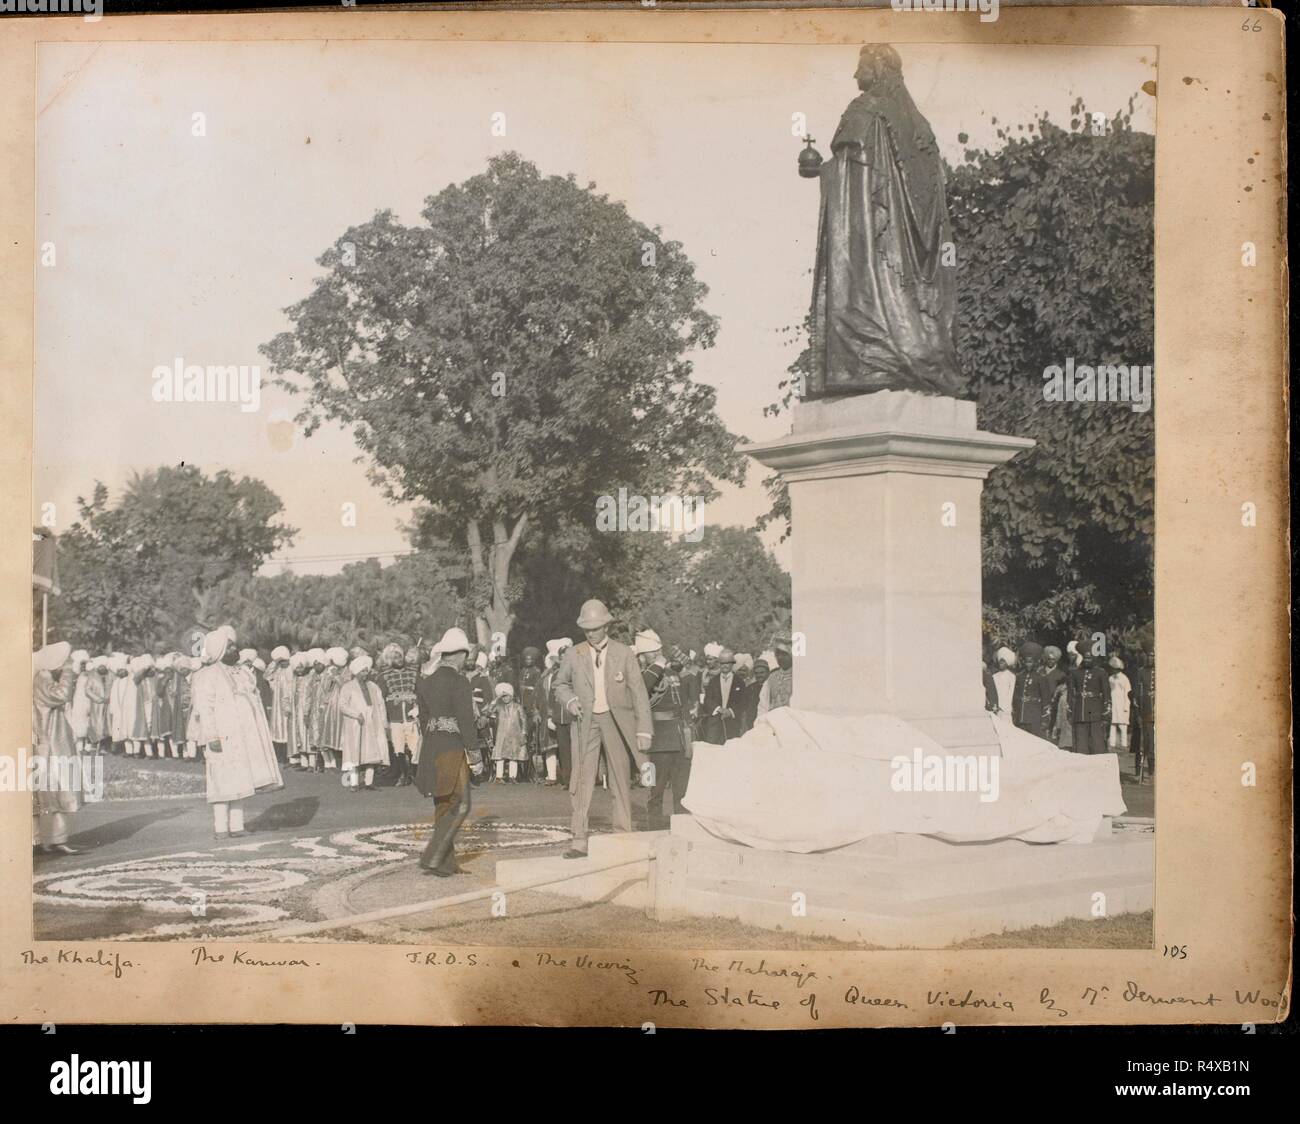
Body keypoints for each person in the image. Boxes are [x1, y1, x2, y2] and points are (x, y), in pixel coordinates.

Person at [554, 599, 653, 859]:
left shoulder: (624, 653)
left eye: (595, 627)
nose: (590, 632)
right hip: (585, 722)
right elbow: (560, 685)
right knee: (581, 779)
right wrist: (571, 701)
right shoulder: (573, 654)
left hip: (616, 721)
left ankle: (622, 835)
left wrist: (644, 730)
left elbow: (640, 693)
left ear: (606, 626)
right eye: (586, 628)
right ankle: (579, 839)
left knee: (620, 777)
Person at [187, 628, 283, 840]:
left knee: (240, 779)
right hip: (219, 737)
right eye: (230, 646)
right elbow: (205, 708)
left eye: (233, 645)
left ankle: (237, 826)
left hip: (239, 738)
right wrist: (212, 737)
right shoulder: (207, 675)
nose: (235, 649)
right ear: (219, 649)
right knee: (221, 781)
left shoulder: (239, 672)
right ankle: (221, 828)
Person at [413, 628, 484, 877]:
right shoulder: (460, 682)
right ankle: (433, 856)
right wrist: (475, 756)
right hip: (453, 750)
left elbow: (422, 718)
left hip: (431, 747)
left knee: (443, 805)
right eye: (465, 654)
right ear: (459, 655)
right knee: (462, 804)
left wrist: (435, 730)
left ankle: (446, 864)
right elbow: (466, 721)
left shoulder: (426, 682)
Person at [634, 629, 692, 830]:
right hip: (657, 739)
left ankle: (682, 828)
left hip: (678, 736)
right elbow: (642, 689)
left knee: (681, 788)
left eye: (658, 650)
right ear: (642, 657)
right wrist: (657, 666)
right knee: (655, 789)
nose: (657, 654)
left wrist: (688, 731)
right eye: (652, 652)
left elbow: (683, 702)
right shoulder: (642, 674)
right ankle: (655, 828)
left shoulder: (671, 673)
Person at [32, 642, 85, 855]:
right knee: (52, 788)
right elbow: (61, 695)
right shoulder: (42, 678)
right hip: (48, 741)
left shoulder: (42, 676)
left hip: (49, 739)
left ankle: (52, 839)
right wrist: (68, 672)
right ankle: (47, 840)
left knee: (52, 790)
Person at [337, 653, 389, 792]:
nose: (365, 674)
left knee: (372, 751)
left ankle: (369, 782)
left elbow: (381, 704)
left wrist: (384, 723)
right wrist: (356, 714)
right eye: (363, 671)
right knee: (355, 751)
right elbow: (342, 705)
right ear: (356, 672)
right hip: (356, 724)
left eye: (367, 671)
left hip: (373, 721)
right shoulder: (348, 687)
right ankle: (354, 783)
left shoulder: (373, 686)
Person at [381, 643, 419, 787]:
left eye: (400, 656)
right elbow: (381, 700)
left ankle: (415, 775)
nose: (398, 659)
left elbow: (421, 694)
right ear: (390, 659)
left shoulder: (414, 673)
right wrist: (384, 719)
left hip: (411, 718)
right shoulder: (384, 677)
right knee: (398, 748)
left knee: (415, 747)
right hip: (395, 718)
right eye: (395, 656)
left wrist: (418, 708)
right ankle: (403, 775)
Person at [541, 637, 574, 787]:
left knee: (576, 750)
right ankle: (568, 780)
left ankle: (578, 779)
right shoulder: (555, 675)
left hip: (574, 717)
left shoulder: (577, 673)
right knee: (564, 751)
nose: (564, 660)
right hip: (559, 718)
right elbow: (551, 697)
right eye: (562, 658)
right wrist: (549, 716)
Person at [1069, 643, 1111, 756]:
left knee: (1097, 743)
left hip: (1095, 712)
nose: (1087, 660)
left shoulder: (1101, 673)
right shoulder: (1075, 673)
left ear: (1094, 658)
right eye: (1085, 657)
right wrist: (1070, 710)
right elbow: (1071, 693)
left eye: (1090, 658)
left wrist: (1106, 710)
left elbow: (1106, 693)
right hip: (1080, 712)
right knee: (1080, 744)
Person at [701, 649, 743, 743]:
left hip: (732, 722)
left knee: (731, 748)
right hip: (715, 721)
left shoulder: (739, 681)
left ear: (732, 664)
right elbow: (707, 699)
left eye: (728, 663)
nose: (725, 665)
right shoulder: (713, 681)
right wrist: (718, 709)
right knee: (713, 748)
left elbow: (743, 701)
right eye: (722, 663)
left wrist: (730, 711)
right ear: (719, 664)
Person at [490, 682, 528, 783]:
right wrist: (494, 701)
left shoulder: (518, 707)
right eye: (503, 697)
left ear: (511, 696)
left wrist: (524, 734)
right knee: (500, 756)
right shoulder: (499, 707)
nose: (505, 698)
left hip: (515, 735)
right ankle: (499, 777)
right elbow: (488, 712)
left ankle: (512, 777)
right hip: (501, 735)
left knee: (513, 756)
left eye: (507, 696)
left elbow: (524, 720)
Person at [1011, 641, 1047, 738]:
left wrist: (1044, 719)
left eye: (1030, 662)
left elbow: (1046, 700)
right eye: (1026, 662)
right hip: (1021, 716)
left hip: (1034, 716)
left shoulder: (1040, 678)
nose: (1028, 664)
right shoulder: (1019, 677)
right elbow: (1015, 696)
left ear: (1035, 662)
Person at [1131, 641, 1155, 783]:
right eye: (1148, 655)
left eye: (1153, 655)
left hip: (1159, 714)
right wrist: (1137, 711)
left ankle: (1152, 773)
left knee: (1153, 745)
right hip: (1145, 712)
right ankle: (1138, 772)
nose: (1151, 658)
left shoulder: (1162, 671)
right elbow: (1136, 694)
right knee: (1142, 744)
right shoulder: (1140, 672)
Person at [757, 635, 794, 716]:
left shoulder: (798, 677)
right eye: (777, 655)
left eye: (784, 654)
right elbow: (763, 705)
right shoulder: (771, 677)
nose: (780, 658)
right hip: (772, 720)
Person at [1040, 645, 1069, 748]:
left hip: (1054, 704)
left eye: (1053, 659)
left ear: (1056, 660)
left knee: (1053, 724)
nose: (1050, 661)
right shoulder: (1040, 671)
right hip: (1041, 703)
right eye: (1048, 659)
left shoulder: (1061, 674)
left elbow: (1062, 690)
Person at [267, 646, 293, 761]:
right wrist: (274, 663)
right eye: (280, 661)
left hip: (288, 702)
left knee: (287, 728)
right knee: (277, 728)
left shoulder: (291, 670)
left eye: (284, 661)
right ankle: (278, 755)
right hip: (277, 705)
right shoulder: (277, 671)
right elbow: (266, 675)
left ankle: (288, 756)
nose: (283, 663)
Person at [1108, 655, 1132, 753]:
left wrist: (1126, 706)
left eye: (1115, 669)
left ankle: (1123, 744)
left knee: (1123, 725)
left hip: (1122, 702)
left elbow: (1128, 692)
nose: (1114, 671)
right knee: (1112, 724)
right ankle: (1112, 743)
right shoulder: (1110, 678)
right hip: (1114, 702)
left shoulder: (1124, 678)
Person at [991, 647, 1016, 716]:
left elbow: (1011, 693)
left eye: (1003, 662)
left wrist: (1005, 707)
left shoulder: (1011, 676)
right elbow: (992, 692)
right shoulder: (994, 676)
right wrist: (994, 705)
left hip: (1006, 708)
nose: (1001, 664)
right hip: (995, 707)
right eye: (1000, 662)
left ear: (1007, 663)